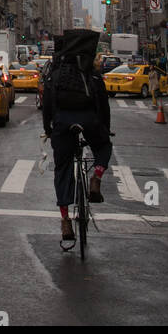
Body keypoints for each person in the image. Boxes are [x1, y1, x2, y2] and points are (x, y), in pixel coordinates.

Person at [42, 29, 112, 243]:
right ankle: (96, 177)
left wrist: (48, 129)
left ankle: (65, 221)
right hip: (90, 120)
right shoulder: (92, 74)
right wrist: (104, 129)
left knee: (62, 169)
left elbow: (47, 106)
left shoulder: (56, 74)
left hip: (62, 123)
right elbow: (104, 106)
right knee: (103, 147)